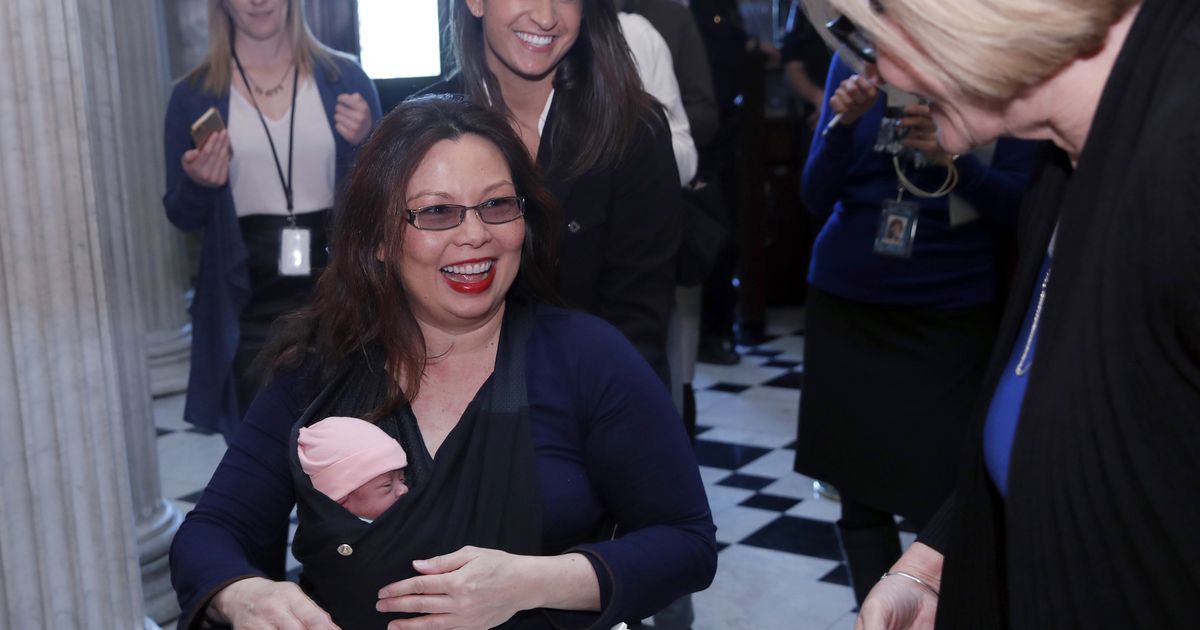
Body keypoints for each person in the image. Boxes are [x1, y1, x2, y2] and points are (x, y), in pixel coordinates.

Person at [168, 96, 717, 630]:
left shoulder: (588, 358)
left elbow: (685, 541)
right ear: (378, 238)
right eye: (437, 212)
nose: (475, 235)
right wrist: (244, 595)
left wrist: (531, 582)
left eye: (497, 205)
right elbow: (213, 530)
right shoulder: (320, 367)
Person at [821, 0, 1200, 627]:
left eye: (889, 19)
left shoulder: (1180, 157)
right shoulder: (1067, 158)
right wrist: (936, 560)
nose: (882, 68)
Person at [794, 52, 1037, 609]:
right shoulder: (853, 57)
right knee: (857, 501)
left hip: (947, 310)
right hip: (847, 302)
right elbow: (813, 195)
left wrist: (956, 155)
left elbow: (1023, 206)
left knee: (948, 504)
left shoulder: (996, 55)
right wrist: (842, 124)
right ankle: (874, 616)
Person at [419, 0, 682, 386]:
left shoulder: (633, 131)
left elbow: (639, 320)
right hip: (448, 399)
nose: (545, 17)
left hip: (593, 400)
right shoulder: (422, 128)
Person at [163, 0, 382, 440]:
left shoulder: (345, 79)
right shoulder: (193, 96)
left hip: (336, 294)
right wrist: (201, 182)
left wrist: (368, 139)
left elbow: (386, 194)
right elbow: (182, 215)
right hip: (246, 303)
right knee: (257, 462)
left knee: (345, 455)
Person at [297, 416, 409, 522]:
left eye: (402, 479)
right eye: (387, 485)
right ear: (341, 498)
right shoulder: (335, 538)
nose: (404, 489)